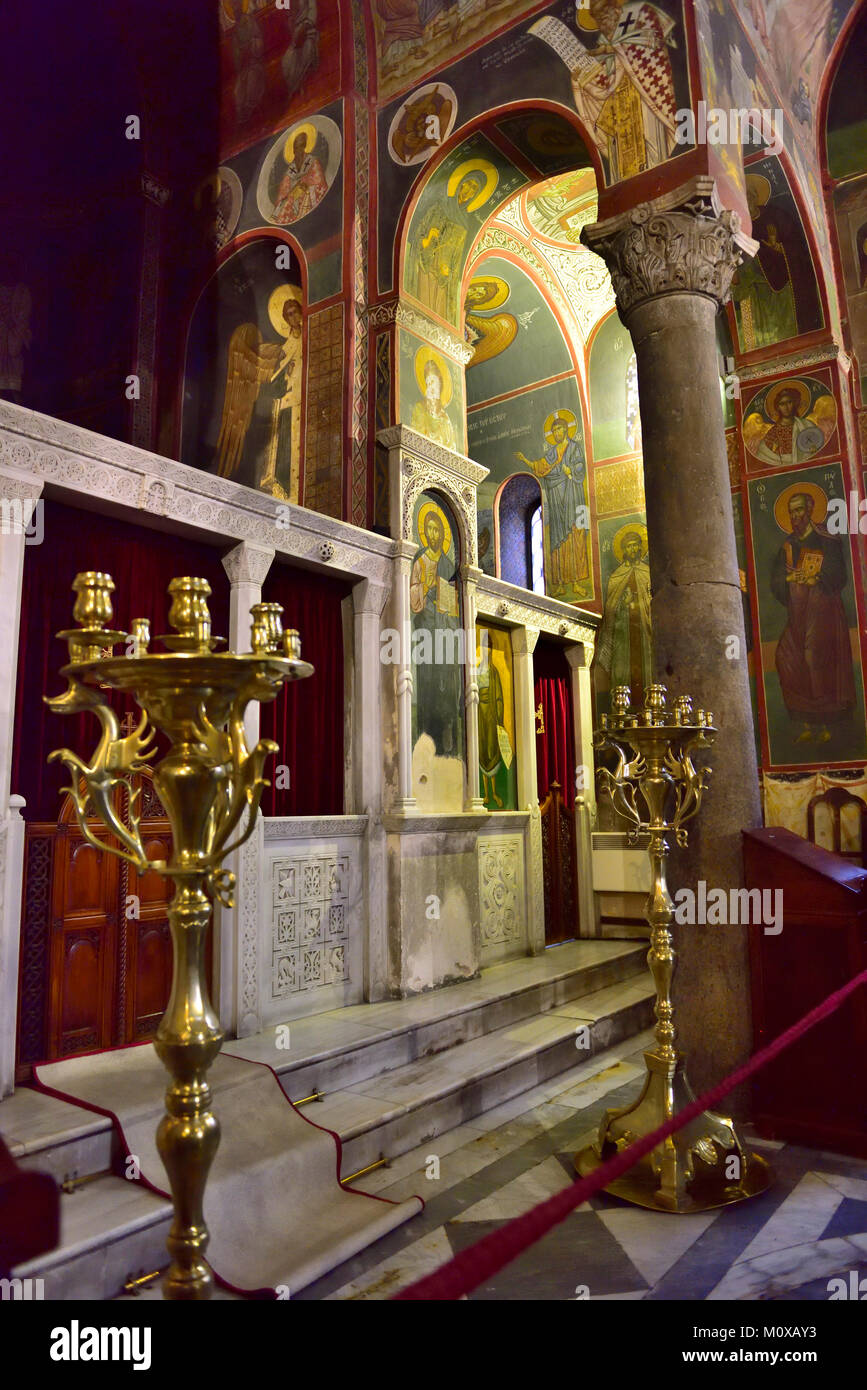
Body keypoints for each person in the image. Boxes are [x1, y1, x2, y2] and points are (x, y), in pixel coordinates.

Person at [770, 491, 855, 744]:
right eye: (791, 511)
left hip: (824, 612)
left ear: (810, 511)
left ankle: (827, 723)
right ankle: (806, 721)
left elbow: (839, 574)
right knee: (787, 658)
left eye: (799, 510)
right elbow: (776, 580)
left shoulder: (827, 540)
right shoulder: (787, 546)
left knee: (816, 658)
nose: (795, 516)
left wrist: (816, 578)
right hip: (798, 613)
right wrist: (789, 579)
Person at [570, 0, 678, 181]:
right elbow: (605, 78)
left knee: (650, 147)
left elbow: (651, 43)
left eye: (606, 13)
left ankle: (657, 177)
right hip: (620, 108)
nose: (604, 21)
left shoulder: (639, 19)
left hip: (644, 96)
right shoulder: (605, 45)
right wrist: (582, 78)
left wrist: (613, 50)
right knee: (623, 156)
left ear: (617, 9)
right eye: (599, 19)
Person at [409, 508, 463, 757]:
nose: (432, 534)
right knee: (427, 685)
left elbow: (452, 610)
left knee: (446, 689)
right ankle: (425, 736)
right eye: (429, 528)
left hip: (444, 638)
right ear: (424, 532)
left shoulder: (449, 565)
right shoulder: (418, 561)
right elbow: (414, 603)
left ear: (443, 535)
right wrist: (425, 592)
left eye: (437, 530)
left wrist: (441, 604)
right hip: (425, 636)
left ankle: (446, 735)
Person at [515, 414, 588, 592]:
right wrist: (525, 461)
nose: (557, 433)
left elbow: (580, 467)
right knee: (557, 540)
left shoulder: (574, 448)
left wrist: (570, 469)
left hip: (572, 495)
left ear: (566, 430)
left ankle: (576, 583)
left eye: (559, 429)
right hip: (556, 498)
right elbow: (542, 466)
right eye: (554, 430)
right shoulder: (552, 452)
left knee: (574, 536)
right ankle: (561, 584)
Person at [410, 172, 487, 320]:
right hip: (425, 265)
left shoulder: (465, 222)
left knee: (436, 314)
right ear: (461, 183)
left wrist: (449, 273)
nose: (469, 191)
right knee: (422, 304)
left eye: (474, 189)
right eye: (468, 184)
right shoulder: (439, 207)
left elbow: (457, 258)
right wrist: (426, 241)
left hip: (443, 277)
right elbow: (419, 231)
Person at [596, 529, 652, 701]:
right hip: (622, 635)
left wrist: (641, 604)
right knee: (621, 672)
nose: (633, 549)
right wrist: (624, 604)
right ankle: (621, 711)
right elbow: (610, 610)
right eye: (629, 547)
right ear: (624, 551)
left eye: (635, 545)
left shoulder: (647, 573)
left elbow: (653, 602)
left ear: (641, 548)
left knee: (648, 672)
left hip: (644, 632)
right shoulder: (616, 577)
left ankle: (649, 709)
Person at [755, 387, 822, 466]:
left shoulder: (807, 426)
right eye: (782, 404)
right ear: (777, 407)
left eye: (789, 402)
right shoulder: (773, 433)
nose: (786, 407)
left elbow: (818, 449)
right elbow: (763, 454)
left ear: (794, 403)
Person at [273, 131, 328, 224]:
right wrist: (284, 197)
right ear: (293, 150)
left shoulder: (313, 161)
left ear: (304, 147)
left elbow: (320, 182)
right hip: (294, 195)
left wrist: (305, 185)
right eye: (296, 148)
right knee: (286, 203)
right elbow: (284, 187)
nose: (297, 151)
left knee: (303, 197)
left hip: (309, 193)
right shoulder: (292, 167)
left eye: (300, 147)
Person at [411, 358, 457, 450]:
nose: (430, 387)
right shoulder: (419, 408)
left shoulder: (445, 418)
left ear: (440, 384)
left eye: (433, 382)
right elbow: (416, 437)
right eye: (428, 384)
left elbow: (451, 447)